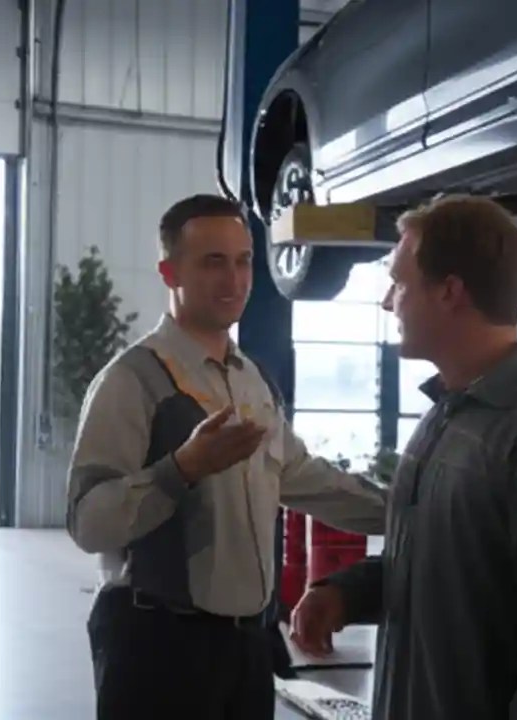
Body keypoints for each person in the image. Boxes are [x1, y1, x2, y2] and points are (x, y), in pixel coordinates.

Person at [290, 194, 517, 719]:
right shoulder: (449, 415)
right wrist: (349, 594)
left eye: (399, 283)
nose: (388, 303)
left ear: (449, 291)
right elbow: (447, 564)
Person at [66, 194, 389, 720]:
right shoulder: (130, 382)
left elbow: (303, 477)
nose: (234, 280)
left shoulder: (252, 379)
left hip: (246, 648)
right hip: (156, 648)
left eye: (243, 261)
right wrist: (182, 468)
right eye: (213, 262)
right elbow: (88, 523)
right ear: (170, 272)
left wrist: (409, 511)